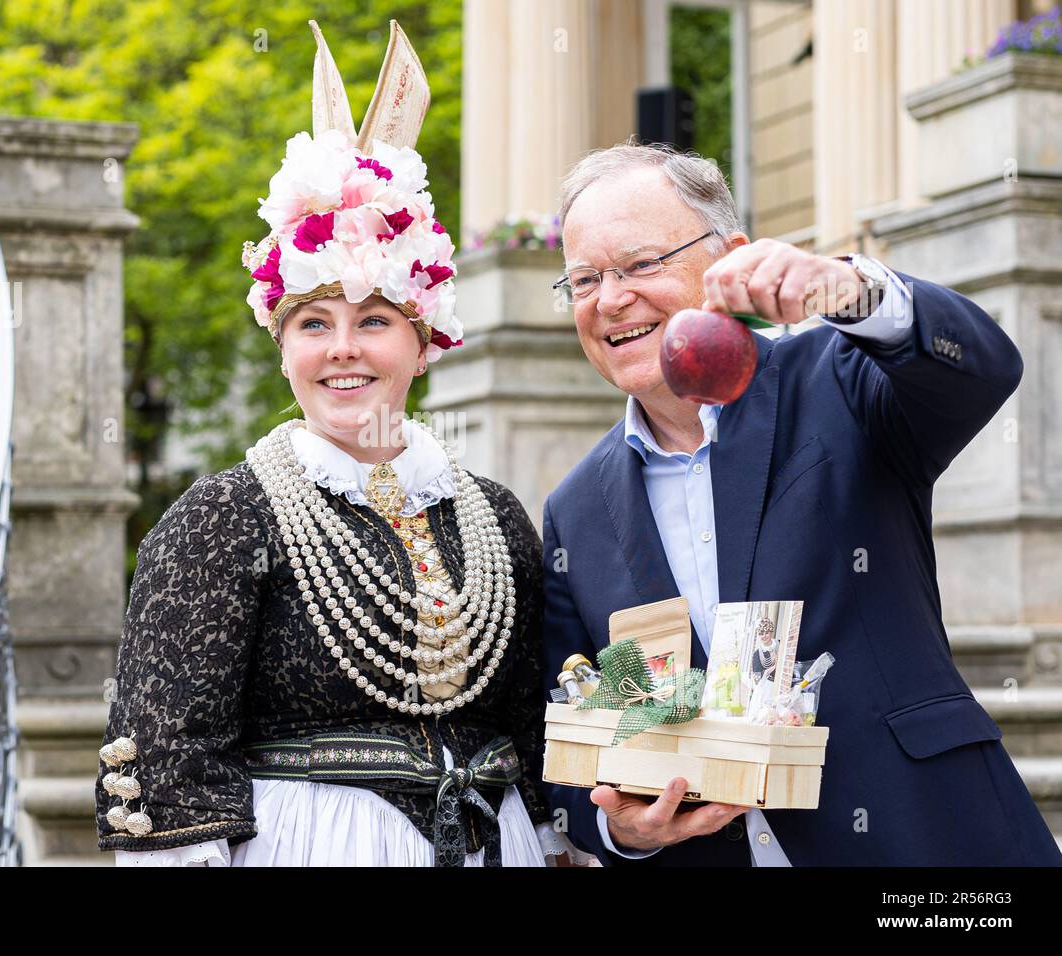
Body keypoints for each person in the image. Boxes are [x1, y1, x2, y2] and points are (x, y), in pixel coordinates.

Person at [94, 20, 583, 867]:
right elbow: (169, 740)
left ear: (425, 343)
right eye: (313, 323)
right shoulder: (224, 518)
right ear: (283, 347)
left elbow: (531, 723)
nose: (343, 349)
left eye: (375, 321)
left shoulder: (496, 519)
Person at [542, 140, 1062, 866]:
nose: (612, 298)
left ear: (731, 255)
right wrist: (618, 828)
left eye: (641, 264)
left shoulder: (840, 379)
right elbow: (573, 724)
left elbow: (984, 367)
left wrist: (850, 291)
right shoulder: (576, 509)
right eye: (585, 279)